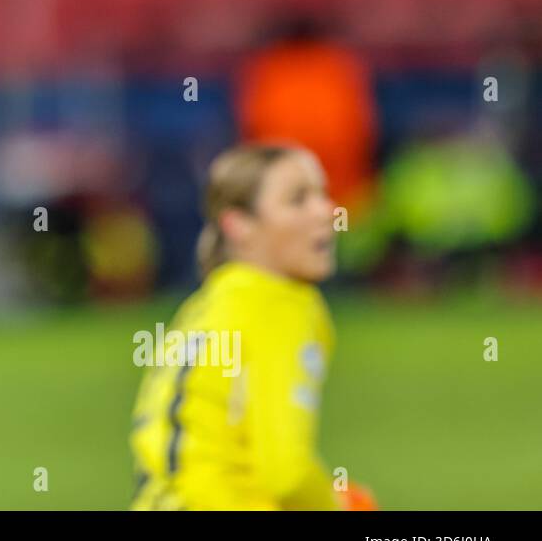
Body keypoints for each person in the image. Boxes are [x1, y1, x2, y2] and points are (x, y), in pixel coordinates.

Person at [129, 143, 375, 510]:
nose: (326, 211)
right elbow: (286, 475)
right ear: (239, 225)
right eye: (298, 200)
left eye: (322, 195)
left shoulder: (207, 303)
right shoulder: (280, 303)